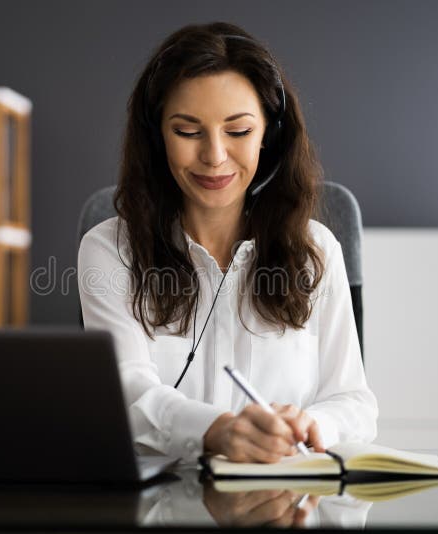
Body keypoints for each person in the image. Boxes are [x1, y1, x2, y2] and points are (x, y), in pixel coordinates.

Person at [78, 21, 377, 465]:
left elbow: (354, 402)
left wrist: (311, 425)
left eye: (238, 132)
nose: (214, 156)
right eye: (187, 131)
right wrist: (218, 431)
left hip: (286, 491)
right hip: (162, 496)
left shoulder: (317, 250)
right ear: (157, 138)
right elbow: (127, 391)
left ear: (269, 135)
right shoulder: (110, 250)